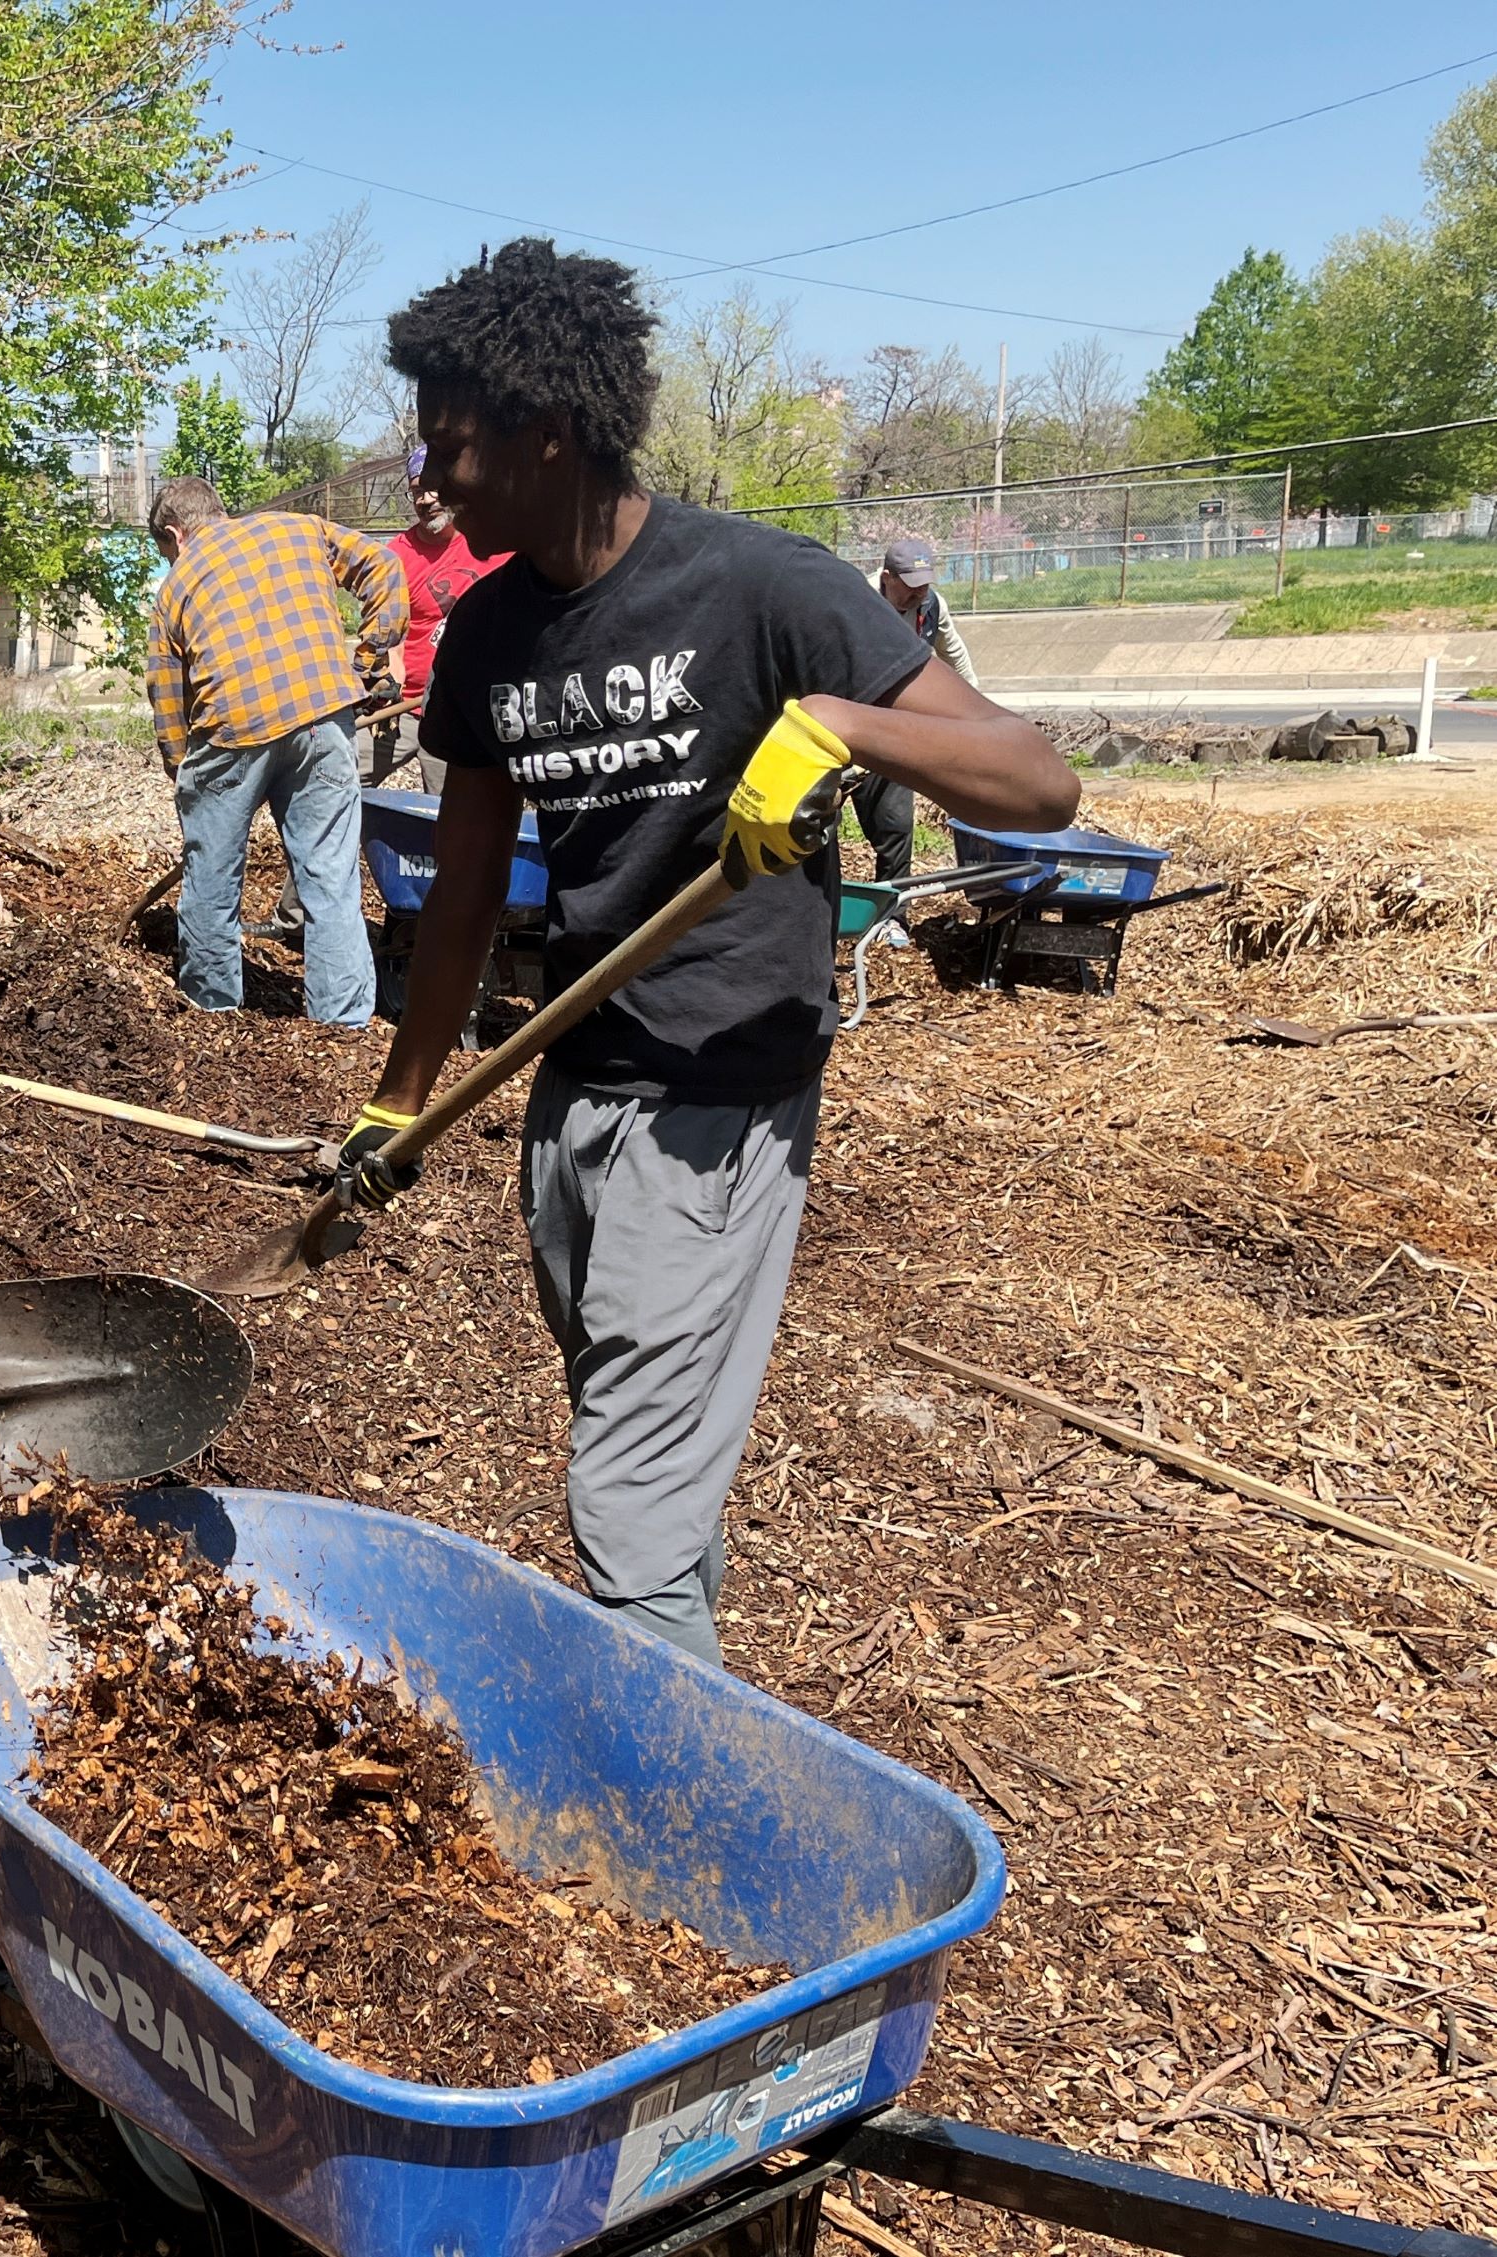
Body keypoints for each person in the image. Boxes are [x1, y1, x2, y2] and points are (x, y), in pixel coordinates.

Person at [339, 240, 1076, 1668]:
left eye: (451, 442)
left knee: (626, 1495)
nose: (428, 479)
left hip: (723, 1086)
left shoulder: (759, 587)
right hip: (579, 1074)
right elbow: (471, 882)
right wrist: (402, 1093)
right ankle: (687, 1679)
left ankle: (657, 1832)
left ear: (548, 429)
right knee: (641, 1440)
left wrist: (847, 728)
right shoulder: (494, 630)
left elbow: (1037, 780)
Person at [145, 476, 407, 1026]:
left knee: (212, 886)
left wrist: (184, 775)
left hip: (230, 734)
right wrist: (369, 660)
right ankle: (343, 1024)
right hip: (323, 721)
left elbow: (167, 697)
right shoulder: (302, 530)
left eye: (166, 551)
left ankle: (210, 1013)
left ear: (175, 534)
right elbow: (384, 566)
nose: (170, 561)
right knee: (331, 880)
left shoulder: (174, 590)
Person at [858, 536, 983, 885]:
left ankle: (892, 917)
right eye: (911, 586)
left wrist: (978, 711)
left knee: (896, 827)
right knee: (820, 833)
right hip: (846, 728)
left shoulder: (932, 606)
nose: (920, 593)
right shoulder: (856, 602)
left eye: (925, 584)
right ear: (887, 577)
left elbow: (954, 655)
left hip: (897, 731)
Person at [384, 453, 511, 791]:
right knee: (342, 772)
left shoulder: (493, 543)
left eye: (433, 488)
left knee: (449, 808)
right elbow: (392, 640)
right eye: (416, 492)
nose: (425, 500)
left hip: (465, 712)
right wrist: (390, 690)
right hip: (406, 707)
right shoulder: (397, 555)